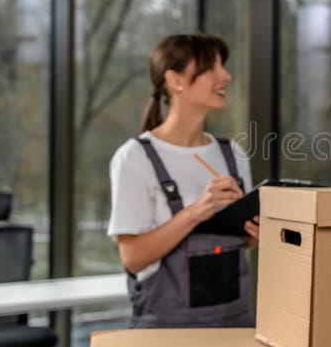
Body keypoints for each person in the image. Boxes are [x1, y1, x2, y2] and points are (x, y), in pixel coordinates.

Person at [107, 33, 259, 328]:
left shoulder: (234, 154)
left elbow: (238, 244)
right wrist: (195, 212)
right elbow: (133, 258)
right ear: (175, 80)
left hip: (236, 325)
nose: (226, 76)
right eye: (212, 68)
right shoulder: (135, 158)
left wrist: (254, 233)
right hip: (166, 333)